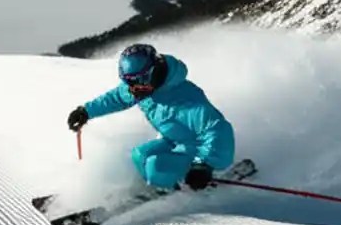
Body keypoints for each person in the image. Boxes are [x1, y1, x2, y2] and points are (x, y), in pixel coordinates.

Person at [67, 43, 235, 192]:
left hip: (198, 149)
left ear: (154, 72)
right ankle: (157, 186)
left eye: (141, 80)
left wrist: (203, 165)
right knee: (139, 154)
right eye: (129, 82)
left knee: (155, 166)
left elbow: (218, 129)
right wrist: (86, 111)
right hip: (173, 140)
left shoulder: (185, 99)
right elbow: (117, 97)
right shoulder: (142, 89)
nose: (134, 89)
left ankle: (178, 188)